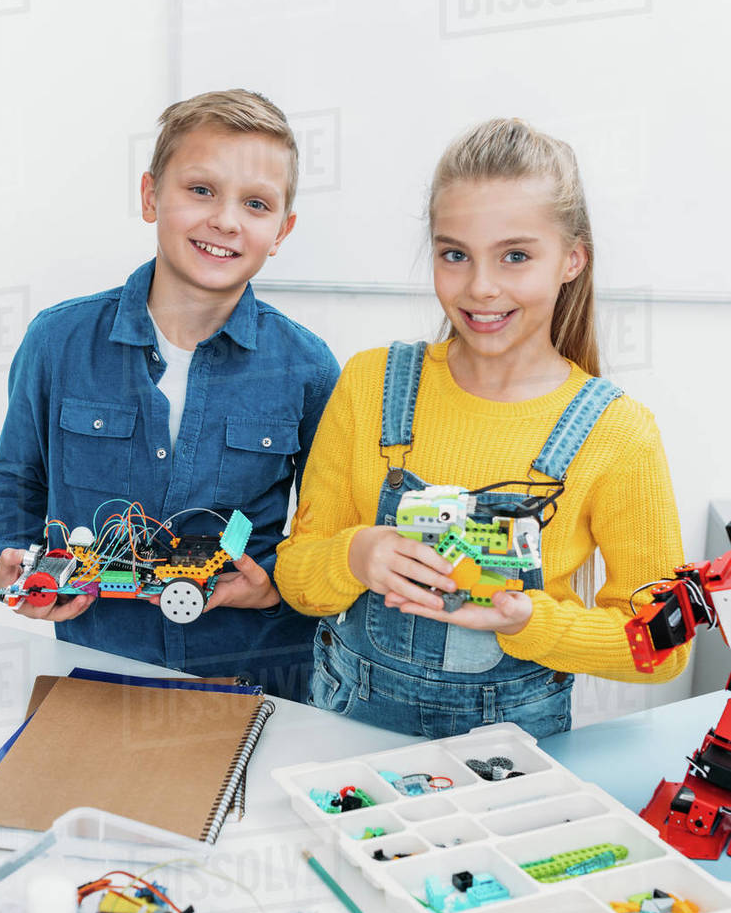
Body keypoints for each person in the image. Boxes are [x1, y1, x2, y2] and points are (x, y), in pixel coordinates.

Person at [274, 117, 688, 737]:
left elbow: (663, 646)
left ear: (572, 259)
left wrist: (531, 624)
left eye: (516, 256)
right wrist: (355, 556)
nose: (481, 287)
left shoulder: (618, 432)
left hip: (511, 757)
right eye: (454, 255)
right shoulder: (368, 384)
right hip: (348, 736)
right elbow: (297, 576)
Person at [0, 89, 339, 700]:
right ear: (150, 197)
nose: (225, 220)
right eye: (201, 190)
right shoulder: (58, 343)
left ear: (281, 231)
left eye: (255, 203)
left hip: (256, 680)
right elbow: (12, 486)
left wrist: (273, 581)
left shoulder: (307, 367)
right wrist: (8, 561)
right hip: (102, 673)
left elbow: (328, 526)